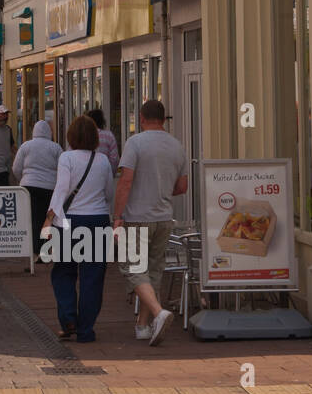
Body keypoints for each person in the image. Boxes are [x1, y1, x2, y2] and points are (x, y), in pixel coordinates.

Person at [113, 100, 188, 346]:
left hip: (136, 217)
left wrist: (117, 217)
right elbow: (182, 186)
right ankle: (143, 326)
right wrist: (161, 191)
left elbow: (125, 181)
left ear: (142, 118)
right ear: (164, 119)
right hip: (164, 217)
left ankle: (158, 312)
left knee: (132, 267)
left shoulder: (135, 143)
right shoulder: (177, 146)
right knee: (153, 270)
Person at [43, 115, 115, 344]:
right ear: (95, 137)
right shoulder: (103, 160)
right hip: (97, 220)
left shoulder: (66, 158)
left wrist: (48, 218)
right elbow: (109, 193)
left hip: (68, 221)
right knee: (92, 277)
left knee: (63, 272)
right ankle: (86, 330)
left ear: (71, 136)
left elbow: (61, 189)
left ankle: (68, 318)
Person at [13, 119, 62, 262]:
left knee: (33, 218)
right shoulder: (56, 147)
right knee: (48, 219)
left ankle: (35, 250)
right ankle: (47, 249)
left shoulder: (25, 146)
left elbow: (16, 168)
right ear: (49, 132)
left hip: (29, 187)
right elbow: (63, 168)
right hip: (49, 188)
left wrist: (22, 180)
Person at [87, 109, 120, 174]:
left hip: (83, 177)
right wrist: (110, 175)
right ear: (102, 121)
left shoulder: (81, 135)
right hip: (103, 176)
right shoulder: (109, 136)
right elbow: (114, 160)